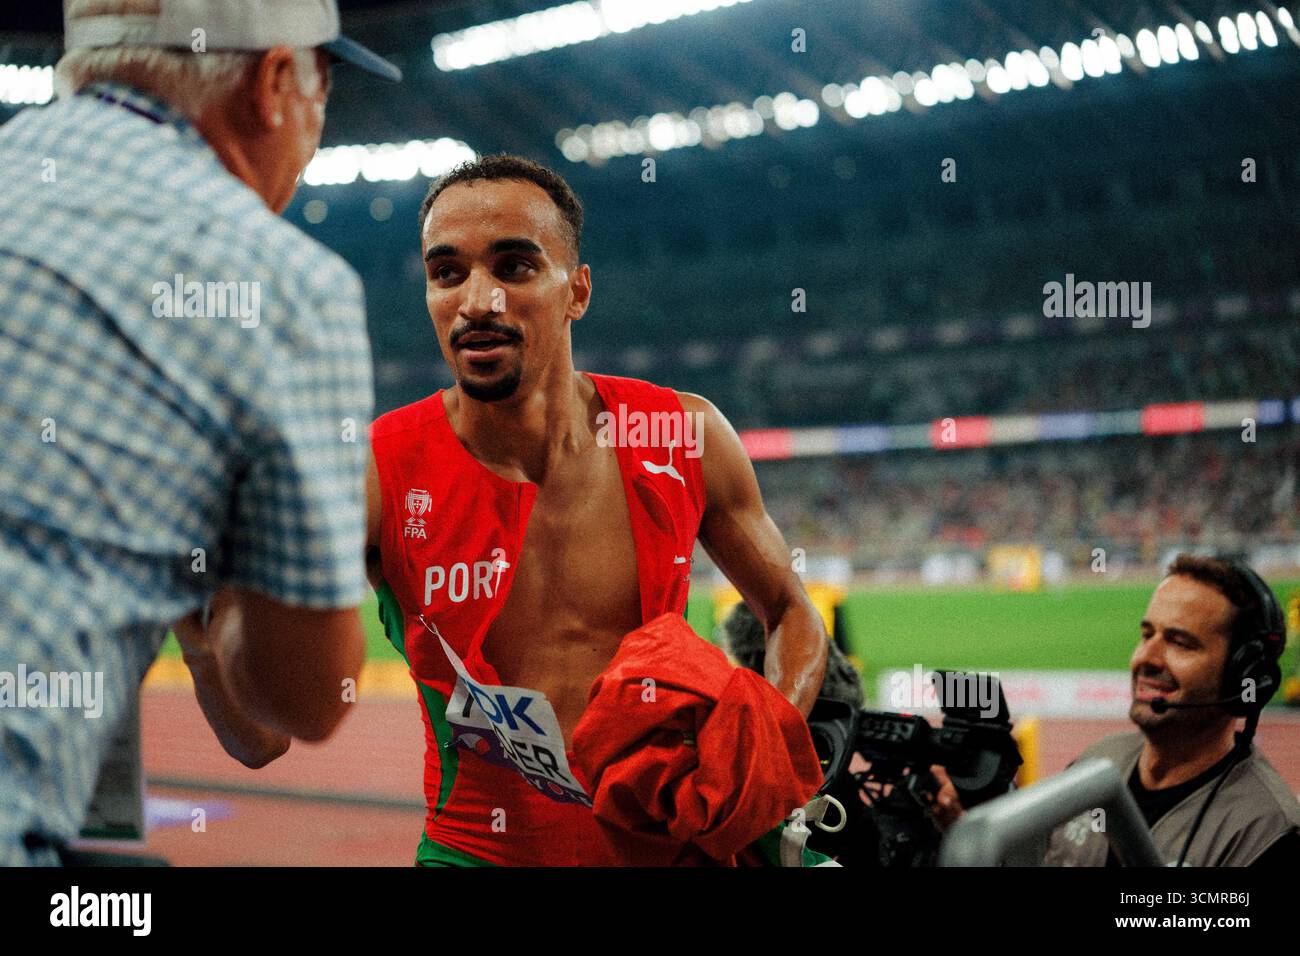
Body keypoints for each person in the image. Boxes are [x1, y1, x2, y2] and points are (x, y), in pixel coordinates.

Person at [0, 0, 400, 865]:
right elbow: (305, 698)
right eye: (323, 87)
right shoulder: (284, 285)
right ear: (273, 82)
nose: (319, 127)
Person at [367, 153, 829, 866]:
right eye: (447, 272)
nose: (477, 300)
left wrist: (758, 741)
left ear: (577, 291)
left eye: (515, 267)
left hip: (674, 847)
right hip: (477, 853)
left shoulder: (684, 435)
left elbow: (792, 613)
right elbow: (272, 711)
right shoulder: (375, 469)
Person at [1042, 555, 1300, 866]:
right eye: (1147, 634)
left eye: (1180, 642)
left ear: (1242, 675)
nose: (1145, 658)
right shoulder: (1094, 764)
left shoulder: (1267, 834)